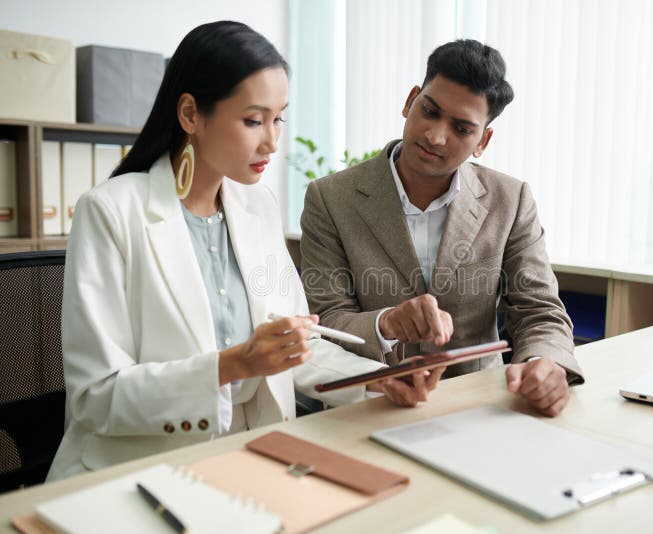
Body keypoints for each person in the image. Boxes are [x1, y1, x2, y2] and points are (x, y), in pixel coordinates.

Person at [47, 21, 443, 482]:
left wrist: (375, 378)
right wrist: (236, 363)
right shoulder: (110, 212)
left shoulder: (255, 205)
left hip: (253, 454)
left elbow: (299, 347)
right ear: (191, 114)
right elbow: (96, 397)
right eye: (253, 120)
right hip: (140, 470)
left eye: (278, 119)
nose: (272, 141)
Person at [301, 39, 584, 418]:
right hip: (369, 403)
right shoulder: (329, 197)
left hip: (479, 406)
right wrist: (387, 323)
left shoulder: (510, 199)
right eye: (429, 111)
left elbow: (539, 309)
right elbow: (327, 319)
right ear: (410, 101)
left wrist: (546, 361)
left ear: (482, 141)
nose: (435, 136)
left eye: (462, 128)